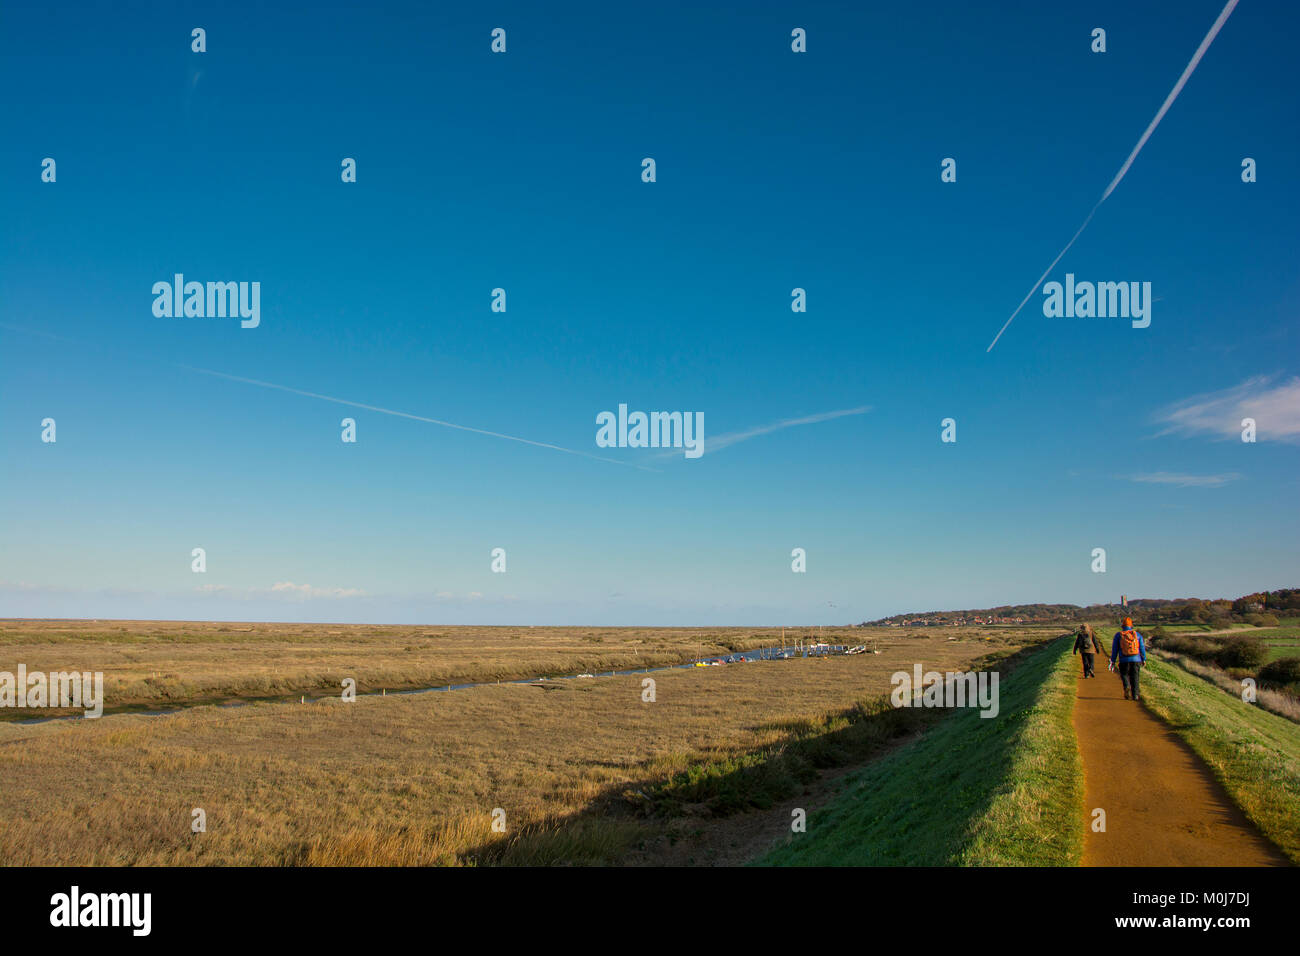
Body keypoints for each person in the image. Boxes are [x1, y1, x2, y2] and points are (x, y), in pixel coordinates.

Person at [1109, 616, 1147, 701]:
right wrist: (1144, 659)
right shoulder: (1137, 635)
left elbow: (1115, 649)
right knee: (1135, 677)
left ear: (1122, 626)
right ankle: (1135, 695)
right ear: (1131, 625)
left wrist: (1113, 661)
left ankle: (1126, 686)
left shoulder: (1118, 635)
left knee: (1124, 675)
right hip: (1136, 660)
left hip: (1123, 660)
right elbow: (1141, 648)